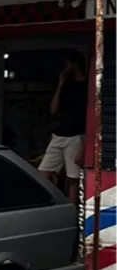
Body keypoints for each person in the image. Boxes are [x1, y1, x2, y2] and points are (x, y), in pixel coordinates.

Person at [38, 51, 88, 205]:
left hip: (76, 136)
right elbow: (53, 110)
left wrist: (85, 145)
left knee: (73, 177)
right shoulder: (66, 84)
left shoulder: (87, 85)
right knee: (43, 172)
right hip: (59, 134)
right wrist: (60, 84)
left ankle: (71, 210)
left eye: (68, 64)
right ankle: (52, 203)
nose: (65, 68)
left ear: (75, 65)